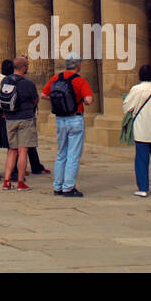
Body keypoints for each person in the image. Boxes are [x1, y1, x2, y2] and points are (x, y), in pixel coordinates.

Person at [41, 56, 95, 197]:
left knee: (61, 153)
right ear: (78, 65)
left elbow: (43, 95)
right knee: (73, 155)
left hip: (59, 119)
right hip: (75, 118)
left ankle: (57, 186)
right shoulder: (80, 80)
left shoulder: (56, 78)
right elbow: (89, 100)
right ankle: (68, 187)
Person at [123, 63, 151, 197]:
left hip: (141, 129)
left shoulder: (136, 89)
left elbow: (126, 107)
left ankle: (143, 188)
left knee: (142, 160)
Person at [1, 55, 40, 192]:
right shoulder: (28, 84)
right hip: (25, 118)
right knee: (23, 150)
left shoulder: (5, 80)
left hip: (10, 118)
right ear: (23, 67)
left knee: (12, 150)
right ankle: (20, 182)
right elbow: (36, 100)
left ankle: (6, 181)